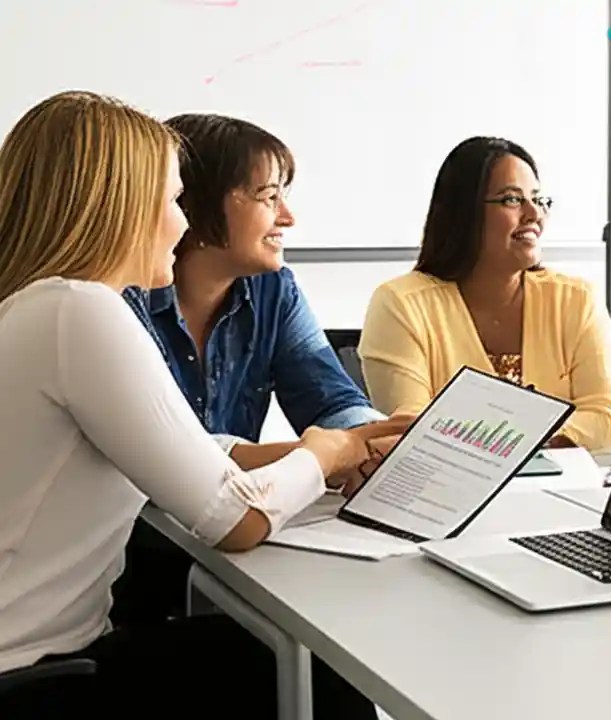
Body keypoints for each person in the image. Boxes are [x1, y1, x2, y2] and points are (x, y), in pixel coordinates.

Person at [0, 91, 396, 717]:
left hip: (44, 660)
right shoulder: (82, 312)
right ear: (121, 204)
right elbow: (234, 522)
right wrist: (322, 455)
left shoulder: (40, 308)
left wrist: (337, 445)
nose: (181, 223)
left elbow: (179, 444)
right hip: (35, 679)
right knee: (323, 677)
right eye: (171, 200)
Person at [114, 113, 392, 628]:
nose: (287, 217)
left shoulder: (273, 290)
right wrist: (327, 455)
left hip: (240, 542)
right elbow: (173, 465)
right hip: (130, 567)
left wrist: (372, 440)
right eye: (268, 197)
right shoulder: (115, 303)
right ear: (193, 204)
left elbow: (330, 398)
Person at [360, 136, 611, 451]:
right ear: (463, 212)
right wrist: (534, 438)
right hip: (448, 495)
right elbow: (415, 432)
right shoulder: (400, 304)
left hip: (562, 492)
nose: (534, 214)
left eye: (538, 200)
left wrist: (503, 444)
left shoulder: (576, 299)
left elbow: (604, 419)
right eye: (512, 200)